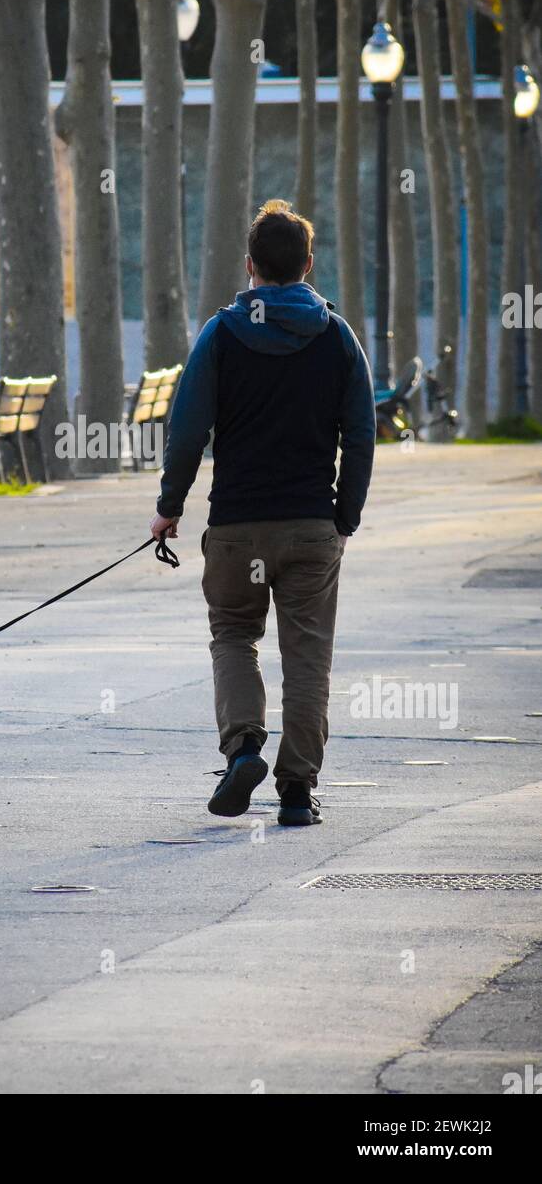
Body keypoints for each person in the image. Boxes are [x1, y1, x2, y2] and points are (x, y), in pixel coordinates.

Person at [149, 199, 376, 827]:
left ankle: (244, 747)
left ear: (251, 265)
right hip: (310, 528)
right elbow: (361, 433)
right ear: (307, 264)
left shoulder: (222, 333)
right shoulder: (336, 335)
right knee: (307, 659)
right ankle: (297, 794)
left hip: (236, 530)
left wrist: (169, 509)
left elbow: (188, 429)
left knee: (234, 636)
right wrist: (344, 516)